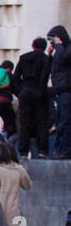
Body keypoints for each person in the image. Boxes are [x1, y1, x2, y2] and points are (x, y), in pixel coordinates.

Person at [12, 37, 52, 158]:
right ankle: (42, 150)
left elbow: (16, 77)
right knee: (41, 122)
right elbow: (45, 77)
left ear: (32, 45)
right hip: (39, 92)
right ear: (44, 47)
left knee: (24, 122)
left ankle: (23, 150)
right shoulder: (45, 59)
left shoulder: (23, 58)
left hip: (25, 91)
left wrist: (19, 92)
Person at [47, 26, 71, 158]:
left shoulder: (65, 50)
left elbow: (63, 59)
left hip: (66, 91)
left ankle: (65, 150)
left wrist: (59, 45)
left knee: (66, 122)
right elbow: (53, 67)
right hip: (60, 91)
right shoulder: (58, 52)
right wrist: (50, 55)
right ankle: (60, 149)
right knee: (61, 122)